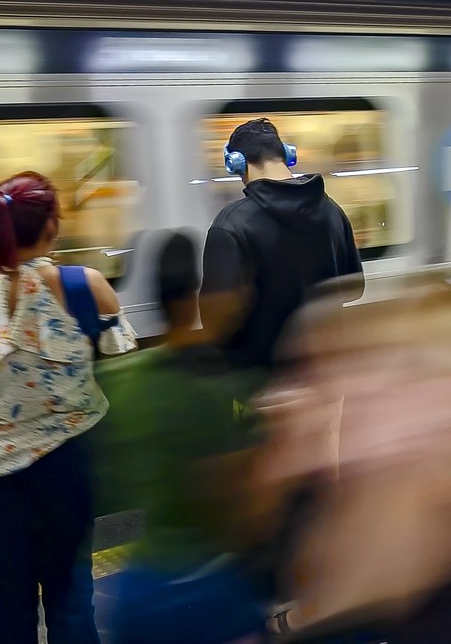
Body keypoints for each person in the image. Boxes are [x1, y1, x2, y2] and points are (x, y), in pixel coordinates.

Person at [0, 172, 136, 644]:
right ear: (52, 228)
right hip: (66, 464)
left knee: (8, 595)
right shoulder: (87, 287)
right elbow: (120, 351)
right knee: (70, 591)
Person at [95, 231, 267, 644]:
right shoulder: (216, 389)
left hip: (139, 590)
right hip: (208, 589)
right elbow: (233, 508)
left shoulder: (124, 380)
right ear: (198, 294)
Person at [202, 119, 362, 373]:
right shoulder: (332, 210)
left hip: (262, 382)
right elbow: (353, 287)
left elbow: (215, 319)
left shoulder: (230, 224)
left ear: (236, 163)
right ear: (287, 154)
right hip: (326, 374)